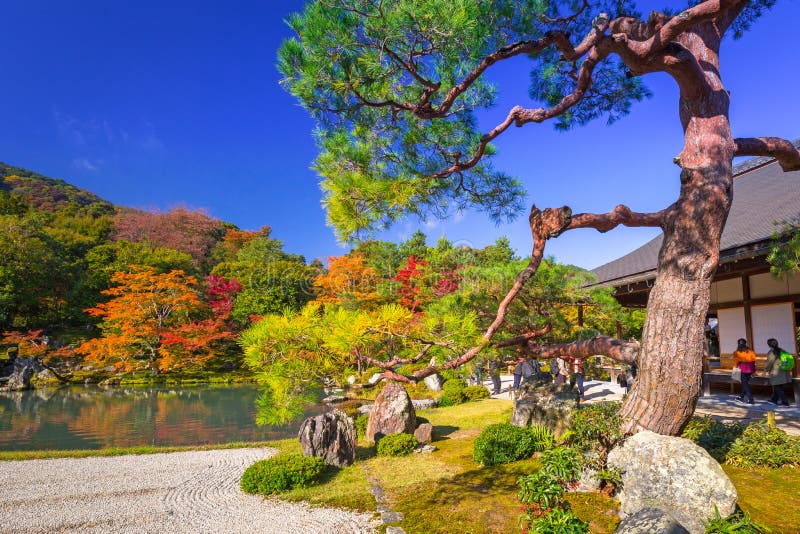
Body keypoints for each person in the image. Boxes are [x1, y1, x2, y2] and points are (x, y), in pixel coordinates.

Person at [765, 338, 792, 407]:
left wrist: (765, 370)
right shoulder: (782, 350)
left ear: (769, 345)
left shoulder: (772, 352)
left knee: (777, 386)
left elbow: (769, 362)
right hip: (783, 371)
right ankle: (774, 400)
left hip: (776, 371)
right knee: (778, 386)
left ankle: (785, 402)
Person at [732, 338, 756, 404]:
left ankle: (751, 399)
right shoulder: (751, 351)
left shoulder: (737, 352)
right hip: (751, 369)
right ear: (745, 343)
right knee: (745, 384)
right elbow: (754, 361)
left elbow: (736, 362)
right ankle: (741, 397)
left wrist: (736, 367)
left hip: (743, 369)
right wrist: (754, 370)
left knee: (745, 385)